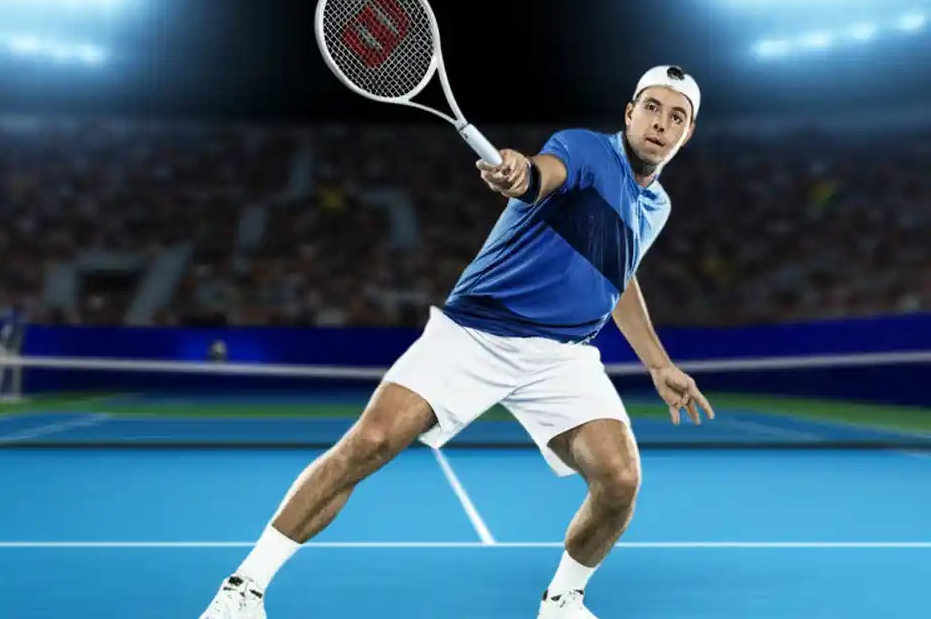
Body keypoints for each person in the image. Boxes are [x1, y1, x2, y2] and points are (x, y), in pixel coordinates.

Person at [199, 66, 716, 619]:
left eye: (676, 117)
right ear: (629, 113)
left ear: (686, 135)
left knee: (620, 479)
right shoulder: (585, 151)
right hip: (477, 331)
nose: (661, 123)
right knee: (370, 442)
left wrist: (659, 364)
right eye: (652, 108)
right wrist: (521, 173)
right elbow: (542, 173)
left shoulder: (655, 207)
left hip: (561, 356)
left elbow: (621, 274)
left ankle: (562, 601)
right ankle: (243, 589)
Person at [0, 306, 27, 403]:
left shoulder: (20, 325)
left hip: (11, 350)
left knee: (17, 369)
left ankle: (15, 393)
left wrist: (14, 349)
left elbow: (17, 341)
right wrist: (6, 347)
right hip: (1, 349)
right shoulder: (10, 323)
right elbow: (4, 338)